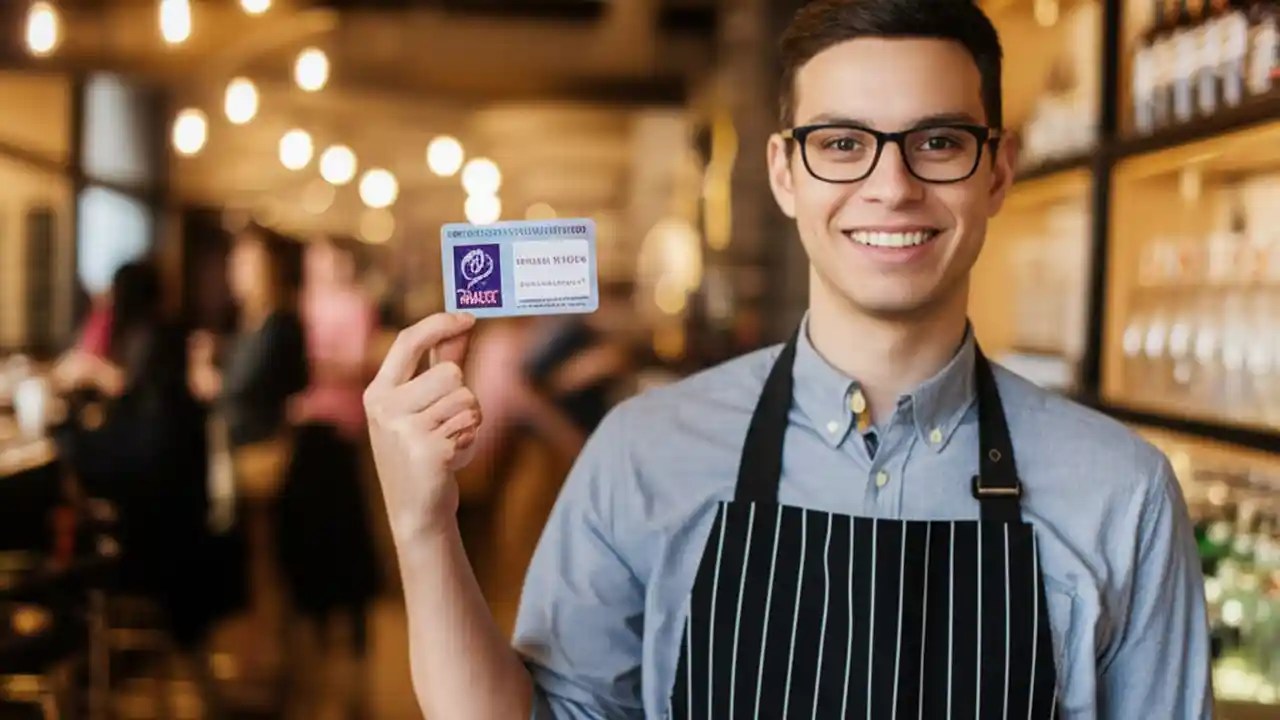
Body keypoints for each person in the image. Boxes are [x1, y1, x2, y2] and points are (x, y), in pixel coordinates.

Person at [362, 1, 1213, 718]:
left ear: (997, 172)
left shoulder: (1122, 495)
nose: (891, 186)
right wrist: (423, 526)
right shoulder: (643, 452)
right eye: (842, 143)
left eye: (940, 142)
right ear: (783, 172)